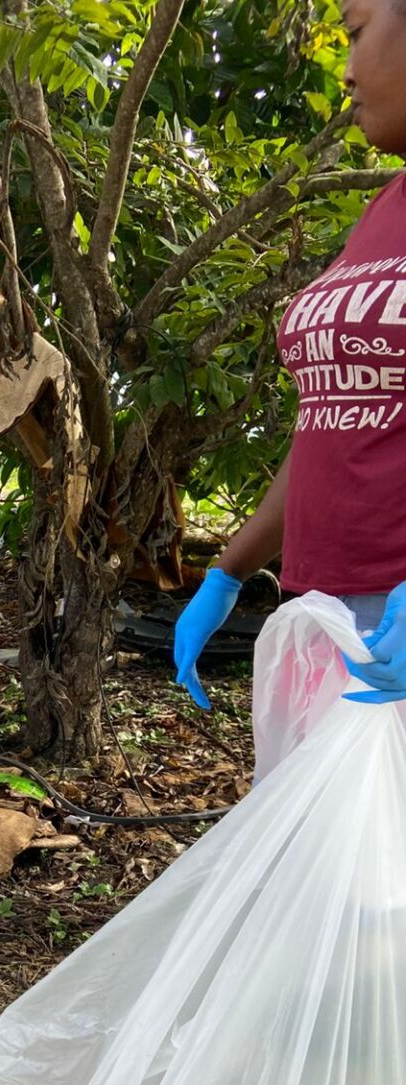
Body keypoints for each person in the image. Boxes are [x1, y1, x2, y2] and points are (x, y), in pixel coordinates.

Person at [174, 0, 406, 710]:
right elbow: (335, 423)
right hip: (333, 618)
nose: (344, 70)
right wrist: (229, 571)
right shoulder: (385, 209)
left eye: (356, 33)